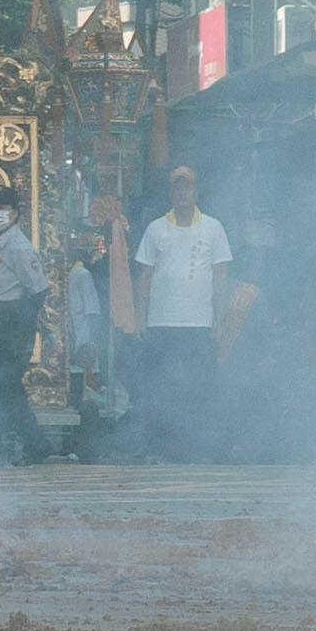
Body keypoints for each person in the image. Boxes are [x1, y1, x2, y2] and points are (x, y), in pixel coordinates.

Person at [127, 174, 234, 458]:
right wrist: (140, 316)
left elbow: (221, 277)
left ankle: (198, 449)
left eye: (187, 187)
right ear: (170, 193)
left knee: (200, 388)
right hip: (161, 322)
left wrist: (220, 318)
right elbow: (144, 276)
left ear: (196, 191)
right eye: (177, 187)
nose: (182, 193)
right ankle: (159, 447)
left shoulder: (213, 228)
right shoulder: (155, 229)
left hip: (199, 323)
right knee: (159, 388)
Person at [0, 190, 55, 461]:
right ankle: (33, 444)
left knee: (2, 386)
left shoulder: (18, 247)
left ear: (15, 212)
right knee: (2, 387)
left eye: (1, 207)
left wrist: (18, 324)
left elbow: (38, 290)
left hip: (8, 324)